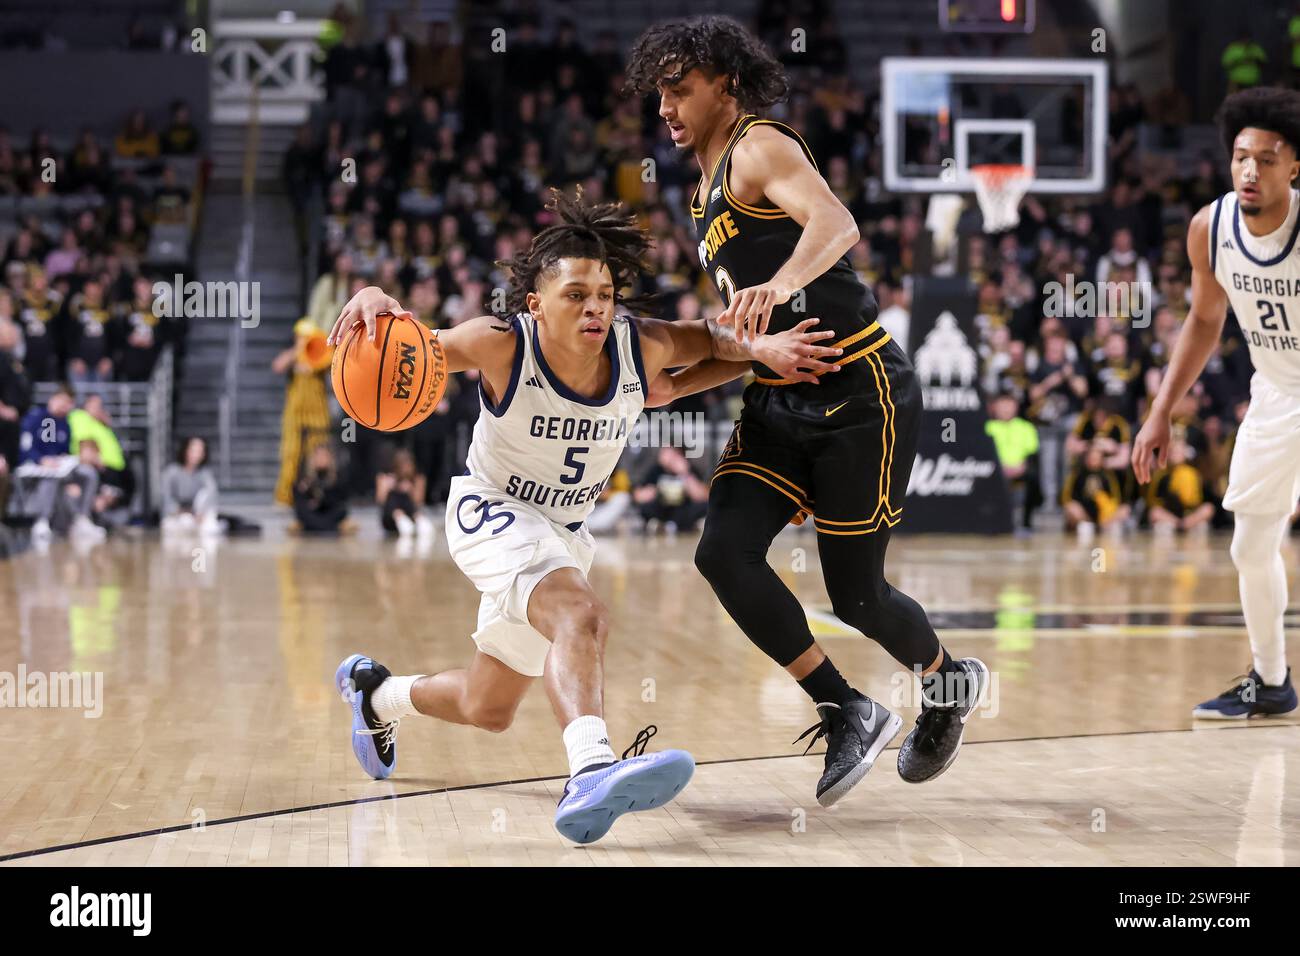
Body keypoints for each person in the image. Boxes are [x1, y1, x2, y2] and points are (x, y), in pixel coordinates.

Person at [324, 189, 834, 843]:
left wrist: (759, 353)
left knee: (489, 708)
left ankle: (377, 695)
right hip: (493, 510)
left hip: (561, 530)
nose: (595, 306)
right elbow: (414, 350)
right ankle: (592, 769)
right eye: (576, 295)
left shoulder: (637, 347)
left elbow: (705, 343)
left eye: (603, 293)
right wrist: (376, 297)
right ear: (536, 304)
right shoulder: (501, 344)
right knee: (581, 614)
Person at [625, 15, 988, 806]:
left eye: (679, 89)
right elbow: (745, 334)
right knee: (722, 552)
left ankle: (946, 682)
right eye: (659, 92)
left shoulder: (759, 146)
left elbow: (836, 222)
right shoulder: (701, 186)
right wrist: (680, 384)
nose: (665, 108)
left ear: (724, 82)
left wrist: (782, 286)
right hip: (779, 398)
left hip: (862, 390)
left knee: (857, 596)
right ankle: (846, 708)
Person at [1133, 87, 1300, 719]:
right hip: (1278, 392)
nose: (1252, 169)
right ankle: (1272, 680)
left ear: (1294, 166)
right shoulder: (1211, 227)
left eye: (1268, 157)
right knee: (1249, 547)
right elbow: (1204, 322)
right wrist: (1159, 411)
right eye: (1241, 157)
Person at [15, 385, 103, 541]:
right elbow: (25, 447)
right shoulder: (35, 417)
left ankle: (82, 519)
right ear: (54, 399)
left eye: (69, 403)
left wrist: (68, 460)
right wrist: (41, 460)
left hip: (60, 468)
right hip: (36, 469)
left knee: (88, 473)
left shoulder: (64, 424)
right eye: (63, 401)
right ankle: (42, 521)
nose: (65, 407)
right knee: (51, 477)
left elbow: (65, 451)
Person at [272, 319, 332, 506]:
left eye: (307, 337)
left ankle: (318, 495)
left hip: (318, 412)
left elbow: (331, 363)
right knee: (290, 454)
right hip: (295, 413)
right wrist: (297, 351)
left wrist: (316, 350)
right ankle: (285, 497)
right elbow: (277, 366)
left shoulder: (321, 352)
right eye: (301, 337)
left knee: (318, 455)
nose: (305, 340)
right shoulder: (292, 354)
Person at [632, 445, 709, 533]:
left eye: (672, 453)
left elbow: (702, 496)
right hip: (662, 507)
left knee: (703, 506)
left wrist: (685, 473)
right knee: (645, 508)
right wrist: (655, 490)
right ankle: (663, 525)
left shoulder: (689, 468)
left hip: (682, 507)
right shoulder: (656, 470)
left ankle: (671, 526)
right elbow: (638, 495)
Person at [161, 435, 220, 535]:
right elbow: (165, 498)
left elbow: (211, 494)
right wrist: (179, 511)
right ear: (185, 450)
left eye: (200, 452)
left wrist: (201, 513)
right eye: (193, 450)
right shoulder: (171, 472)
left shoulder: (205, 474)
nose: (196, 455)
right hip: (176, 516)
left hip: (197, 515)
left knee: (210, 527)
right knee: (183, 523)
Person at [291, 443, 354, 535]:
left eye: (324, 456)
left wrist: (320, 501)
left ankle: (317, 527)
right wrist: (305, 490)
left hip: (329, 512)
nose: (321, 459)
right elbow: (299, 499)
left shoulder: (337, 476)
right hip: (313, 514)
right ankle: (324, 527)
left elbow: (339, 500)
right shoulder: (305, 477)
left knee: (341, 510)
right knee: (303, 512)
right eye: (318, 456)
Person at [375, 447, 434, 539]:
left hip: (411, 514)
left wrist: (410, 489)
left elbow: (419, 502)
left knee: (404, 497)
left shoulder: (418, 478)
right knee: (393, 496)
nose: (407, 469)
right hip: (391, 519)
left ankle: (418, 519)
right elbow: (380, 500)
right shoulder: (385, 476)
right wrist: (388, 486)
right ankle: (400, 516)